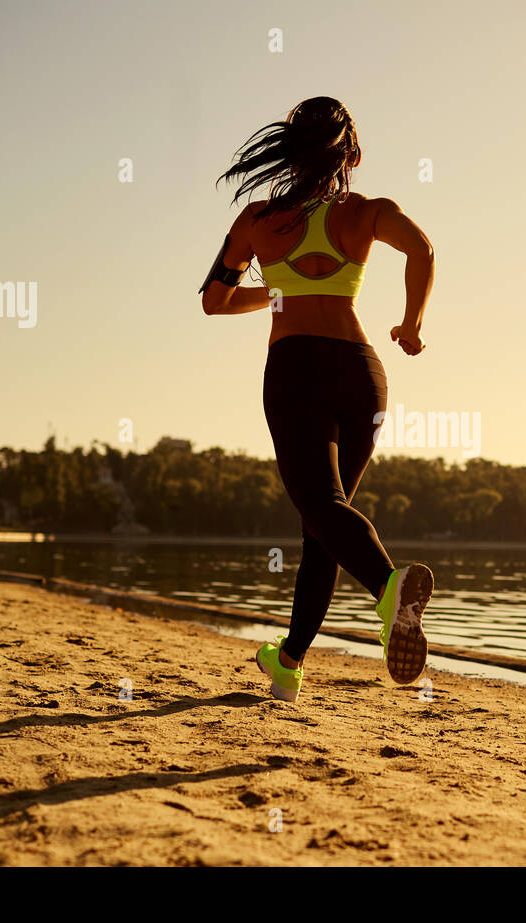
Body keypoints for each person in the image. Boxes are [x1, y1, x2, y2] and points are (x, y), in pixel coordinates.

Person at [201, 96, 435, 702]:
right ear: (351, 155)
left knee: (322, 509)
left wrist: (272, 294)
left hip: (298, 368)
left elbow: (213, 300)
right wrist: (410, 326)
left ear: (288, 150)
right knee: (323, 525)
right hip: (363, 374)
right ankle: (288, 662)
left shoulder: (256, 221)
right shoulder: (368, 212)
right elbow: (423, 251)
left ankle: (391, 588)